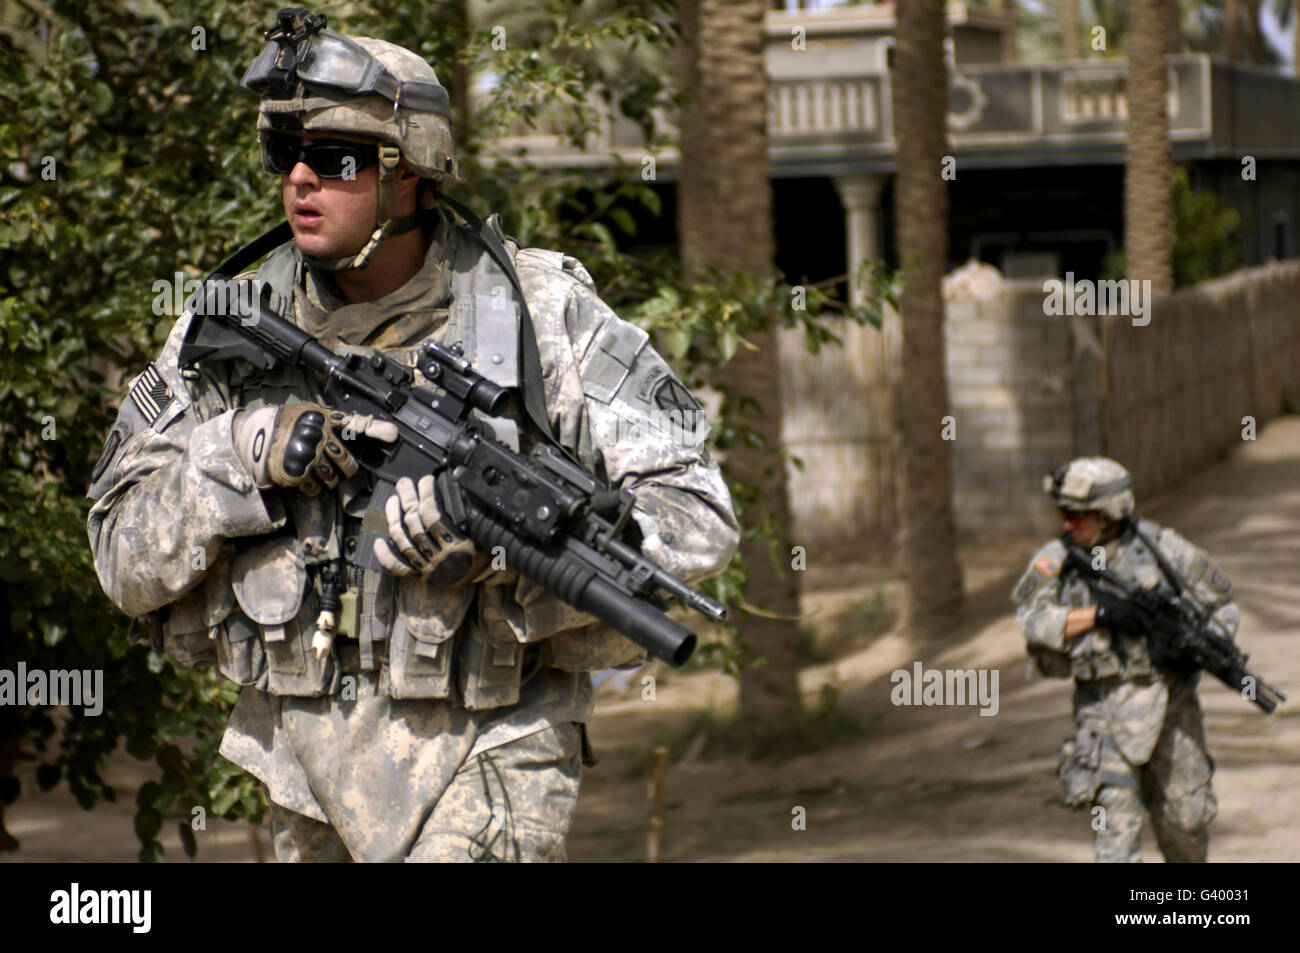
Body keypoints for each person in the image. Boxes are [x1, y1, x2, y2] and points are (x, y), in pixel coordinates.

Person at [86, 9, 738, 862]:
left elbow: (697, 516)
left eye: (338, 159)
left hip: (496, 748)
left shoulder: (544, 317)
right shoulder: (229, 330)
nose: (302, 181)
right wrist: (232, 455)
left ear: (413, 172)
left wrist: (500, 557)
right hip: (305, 773)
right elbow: (118, 555)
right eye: (286, 155)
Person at [1011, 457, 1235, 863]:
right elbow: (1032, 619)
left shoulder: (1165, 549)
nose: (1066, 524)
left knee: (1185, 824)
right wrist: (1098, 615)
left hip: (1172, 708)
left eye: (1077, 515)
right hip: (1103, 713)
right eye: (1063, 513)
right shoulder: (1055, 560)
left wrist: (1190, 647)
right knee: (1114, 837)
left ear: (1110, 511)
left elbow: (1223, 607)